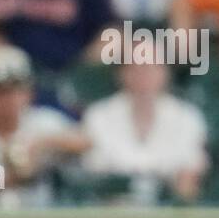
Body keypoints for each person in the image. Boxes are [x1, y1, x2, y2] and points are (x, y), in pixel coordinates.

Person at [0, 45, 88, 206]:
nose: (7, 99)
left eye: (14, 89)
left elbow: (86, 141)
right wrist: (6, 178)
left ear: (29, 91)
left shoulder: (43, 121)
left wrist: (39, 144)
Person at [81, 42, 210, 203]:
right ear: (122, 73)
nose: (144, 75)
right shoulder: (98, 115)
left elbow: (190, 173)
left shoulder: (188, 117)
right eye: (137, 68)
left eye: (152, 67)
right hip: (111, 211)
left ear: (165, 72)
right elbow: (96, 171)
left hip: (168, 213)